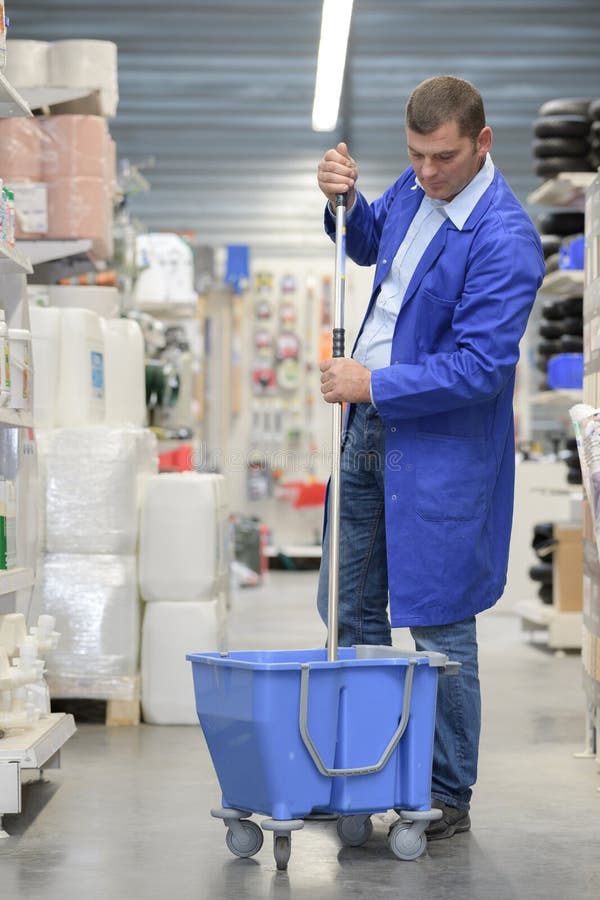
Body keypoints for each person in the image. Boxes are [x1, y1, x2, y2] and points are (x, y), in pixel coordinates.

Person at [316, 75, 545, 840]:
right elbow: (365, 240)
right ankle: (362, 766)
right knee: (349, 607)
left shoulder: (505, 237)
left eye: (441, 157)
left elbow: (481, 369)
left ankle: (447, 792)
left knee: (441, 627)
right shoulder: (416, 194)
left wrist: (373, 380)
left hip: (435, 448)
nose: (424, 172)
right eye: (413, 156)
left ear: (482, 143)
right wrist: (339, 199)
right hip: (368, 432)